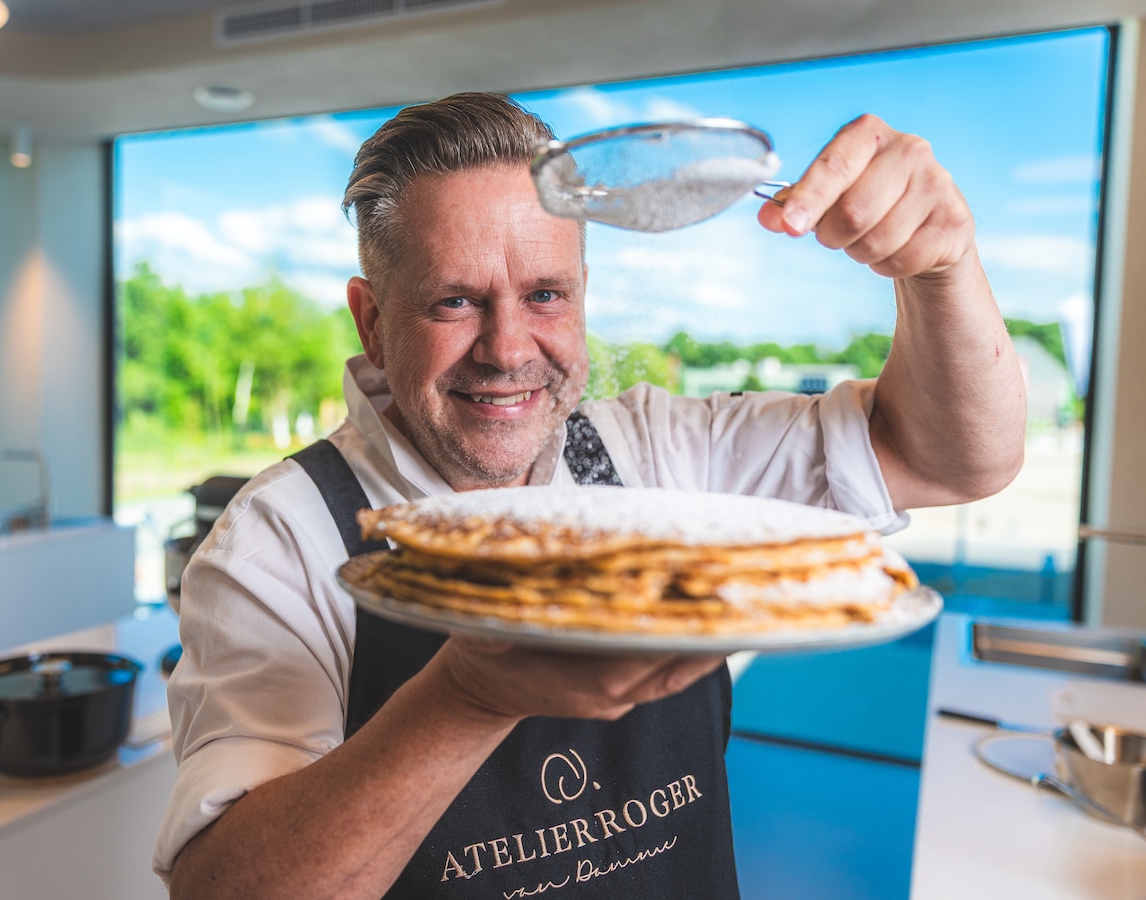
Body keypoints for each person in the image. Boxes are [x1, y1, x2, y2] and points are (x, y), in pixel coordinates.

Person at [153, 92, 1026, 898]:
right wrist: (469, 695)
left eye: (543, 295)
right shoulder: (279, 539)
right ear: (373, 323)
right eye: (454, 302)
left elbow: (952, 458)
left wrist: (942, 269)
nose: (507, 349)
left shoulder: (656, 453)